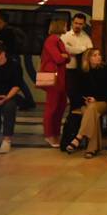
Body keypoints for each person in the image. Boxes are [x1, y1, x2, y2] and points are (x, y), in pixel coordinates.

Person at [64, 47, 107, 157]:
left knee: (92, 108)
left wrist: (96, 98)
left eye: (99, 54)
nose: (98, 57)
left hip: (102, 102)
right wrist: (85, 99)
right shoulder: (81, 72)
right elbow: (75, 92)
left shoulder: (106, 70)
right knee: (91, 112)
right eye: (94, 55)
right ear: (88, 58)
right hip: (85, 103)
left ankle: (79, 137)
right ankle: (92, 149)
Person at [39, 16, 69, 147]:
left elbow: (66, 57)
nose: (67, 28)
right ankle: (49, 134)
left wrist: (65, 56)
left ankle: (55, 133)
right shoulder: (52, 40)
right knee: (52, 107)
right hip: (53, 77)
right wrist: (64, 56)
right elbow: (59, 58)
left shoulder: (58, 40)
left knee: (60, 106)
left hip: (59, 77)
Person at [60, 12, 94, 102]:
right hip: (68, 69)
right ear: (72, 22)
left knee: (78, 93)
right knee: (70, 92)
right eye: (76, 23)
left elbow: (90, 51)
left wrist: (72, 49)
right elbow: (65, 49)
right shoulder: (65, 36)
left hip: (81, 71)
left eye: (80, 24)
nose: (77, 26)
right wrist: (82, 49)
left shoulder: (86, 38)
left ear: (84, 25)